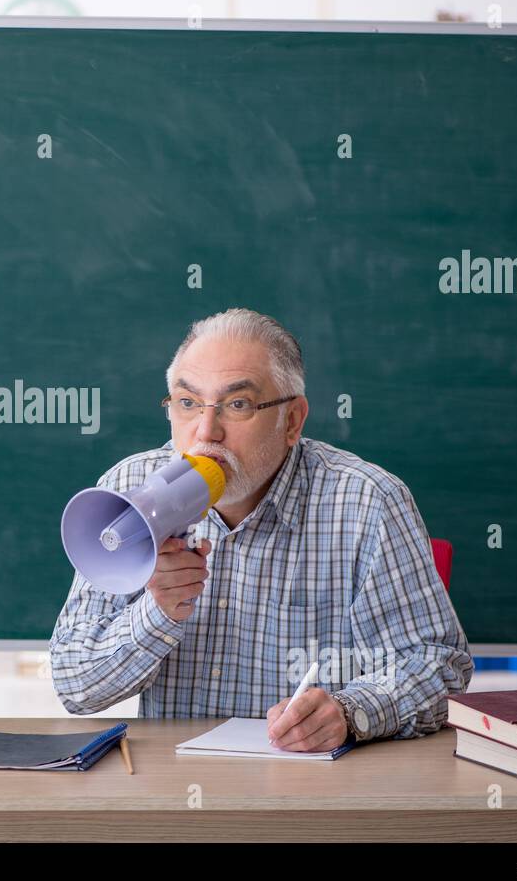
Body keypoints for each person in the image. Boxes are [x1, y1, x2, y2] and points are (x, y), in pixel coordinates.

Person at [50, 308, 473, 751]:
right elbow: (76, 688)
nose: (206, 432)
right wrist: (157, 613)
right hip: (171, 792)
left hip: (313, 794)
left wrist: (351, 713)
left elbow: (439, 668)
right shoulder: (125, 492)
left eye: (237, 405)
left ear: (292, 421)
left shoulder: (366, 501)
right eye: (188, 403)